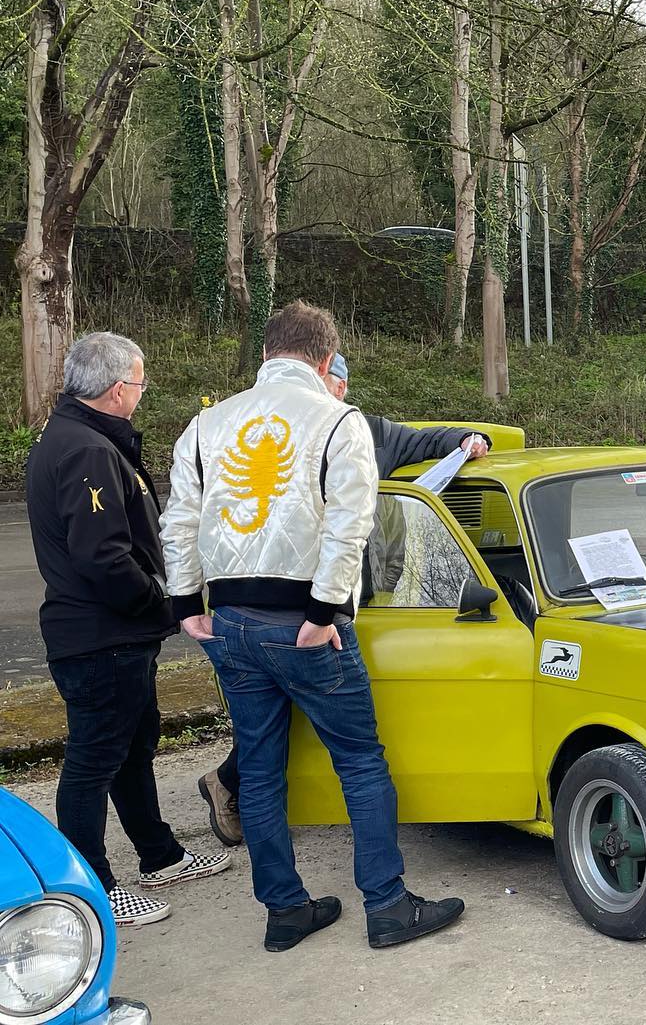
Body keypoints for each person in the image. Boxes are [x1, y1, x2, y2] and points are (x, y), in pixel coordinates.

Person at [161, 301, 465, 952]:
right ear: (327, 360)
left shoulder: (205, 426)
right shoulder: (339, 421)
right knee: (359, 760)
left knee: (261, 772)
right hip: (306, 622)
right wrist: (324, 612)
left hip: (230, 620)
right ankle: (387, 904)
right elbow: (350, 524)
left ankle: (284, 911)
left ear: (265, 354)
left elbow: (179, 521)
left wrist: (185, 604)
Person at [196, 350, 490, 848]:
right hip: (288, 604)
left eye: (340, 385)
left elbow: (422, 439)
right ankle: (234, 785)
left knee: (286, 722)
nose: (335, 392)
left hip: (343, 600)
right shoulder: (258, 430)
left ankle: (260, 838)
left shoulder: (361, 430)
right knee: (334, 743)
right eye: (330, 381)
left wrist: (466, 439)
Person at [26, 332, 230, 928]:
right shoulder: (87, 451)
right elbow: (103, 557)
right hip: (101, 638)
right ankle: (94, 889)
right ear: (119, 389)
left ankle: (158, 854)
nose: (142, 393)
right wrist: (161, 603)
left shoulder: (76, 436)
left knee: (133, 748)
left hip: (113, 636)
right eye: (140, 384)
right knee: (93, 762)